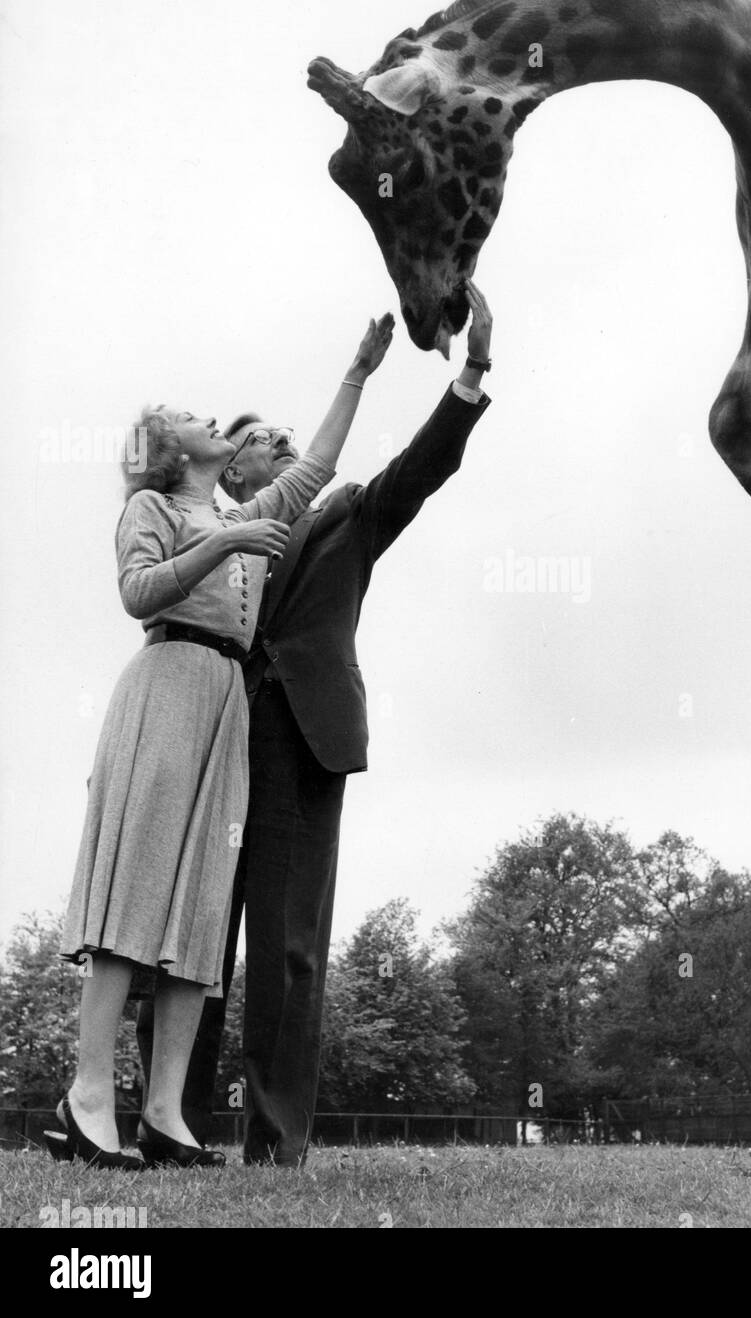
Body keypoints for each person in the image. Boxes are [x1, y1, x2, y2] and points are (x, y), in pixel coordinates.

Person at [137, 279, 493, 1165]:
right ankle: (164, 1124)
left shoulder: (345, 514)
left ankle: (276, 1139)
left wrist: (471, 373)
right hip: (215, 738)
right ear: (239, 470)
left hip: (303, 741)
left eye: (287, 440)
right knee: (189, 933)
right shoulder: (202, 528)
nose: (283, 446)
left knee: (290, 946)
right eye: (263, 441)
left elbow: (419, 469)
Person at [50, 315, 395, 1169]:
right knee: (135, 902)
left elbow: (314, 468)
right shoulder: (154, 506)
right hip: (167, 688)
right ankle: (88, 1098)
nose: (207, 415)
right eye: (190, 414)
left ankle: (166, 1113)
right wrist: (230, 543)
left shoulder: (250, 507)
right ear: (172, 447)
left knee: (199, 913)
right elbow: (137, 593)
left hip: (224, 711)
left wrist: (355, 374)